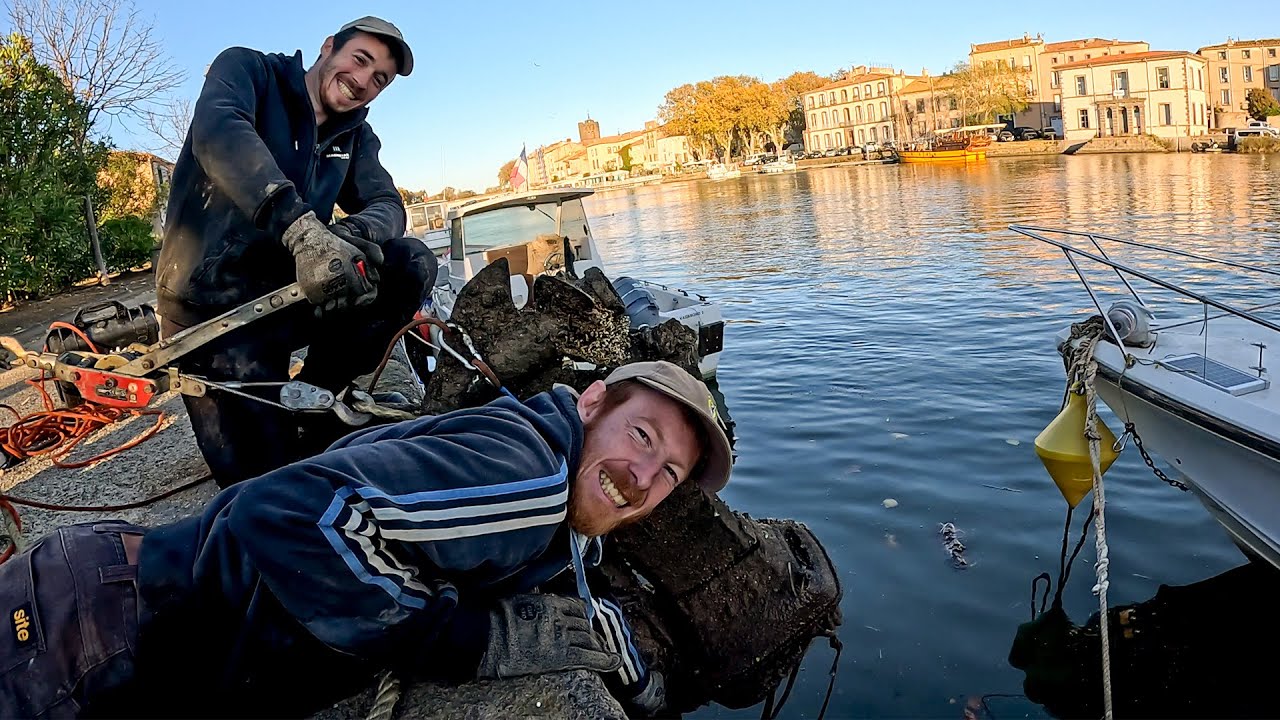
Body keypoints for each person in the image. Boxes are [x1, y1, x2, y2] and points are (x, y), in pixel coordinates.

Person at [0, 361, 733, 718]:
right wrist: (473, 640)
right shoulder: (532, 483)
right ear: (592, 401)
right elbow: (285, 513)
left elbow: (581, 587)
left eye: (668, 473)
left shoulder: (547, 480)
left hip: (109, 582)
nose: (640, 476)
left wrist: (643, 685)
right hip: (95, 640)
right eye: (641, 436)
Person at [156, 16, 438, 487]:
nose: (363, 81)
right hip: (211, 312)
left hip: (291, 297)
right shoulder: (248, 72)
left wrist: (345, 237)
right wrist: (301, 229)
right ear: (329, 47)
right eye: (360, 60)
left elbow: (388, 204)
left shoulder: (355, 137)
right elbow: (219, 132)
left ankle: (318, 390)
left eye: (380, 79)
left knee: (411, 262)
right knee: (264, 487)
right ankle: (279, 428)